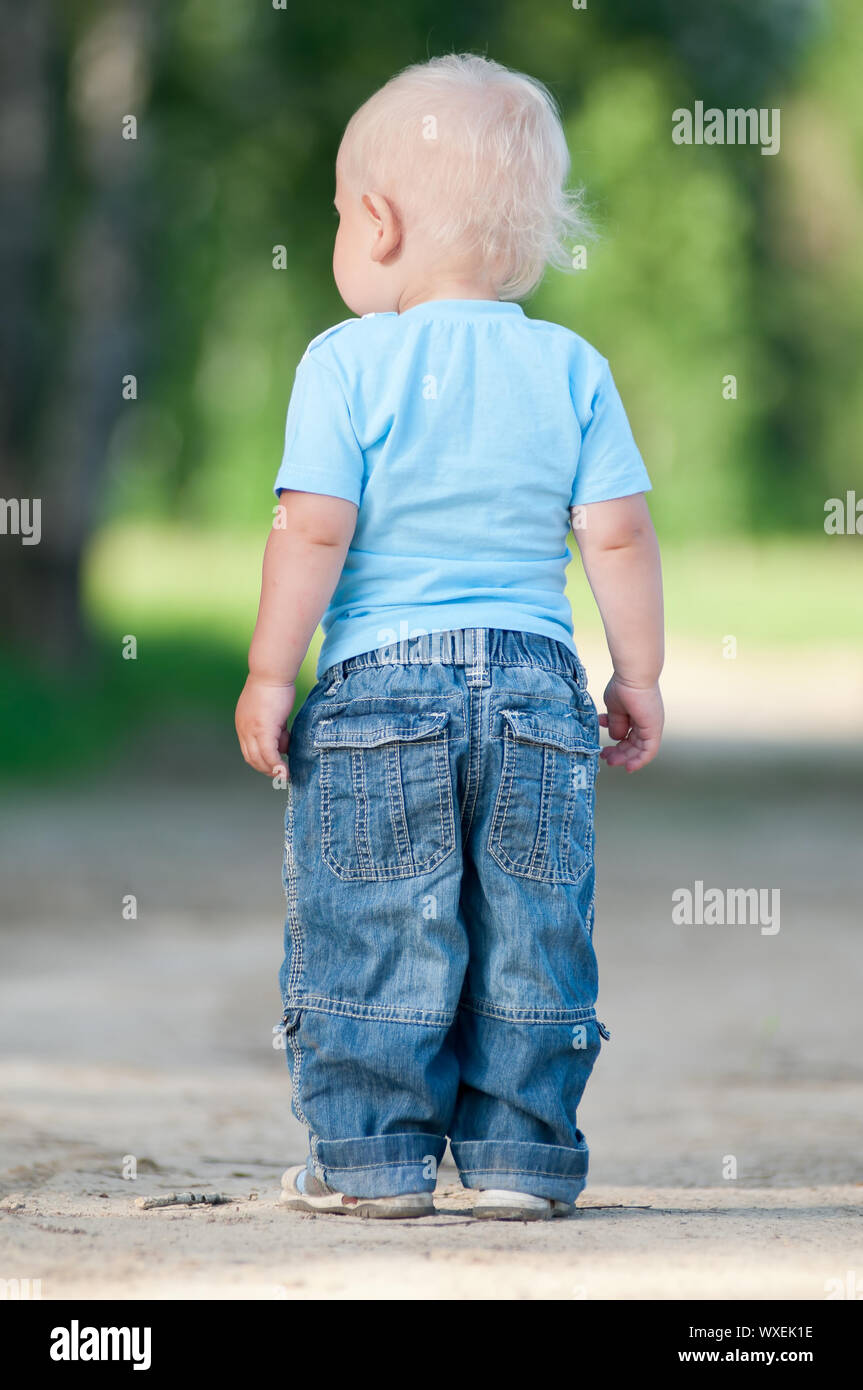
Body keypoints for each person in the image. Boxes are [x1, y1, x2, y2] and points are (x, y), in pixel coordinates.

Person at [235, 53, 664, 1221]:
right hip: (534, 684)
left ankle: (372, 1157)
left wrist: (274, 669)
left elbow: (311, 529)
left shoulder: (342, 362)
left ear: (372, 224)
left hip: (380, 683)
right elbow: (616, 536)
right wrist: (636, 673)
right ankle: (520, 1156)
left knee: (378, 916)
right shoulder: (569, 366)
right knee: (531, 919)